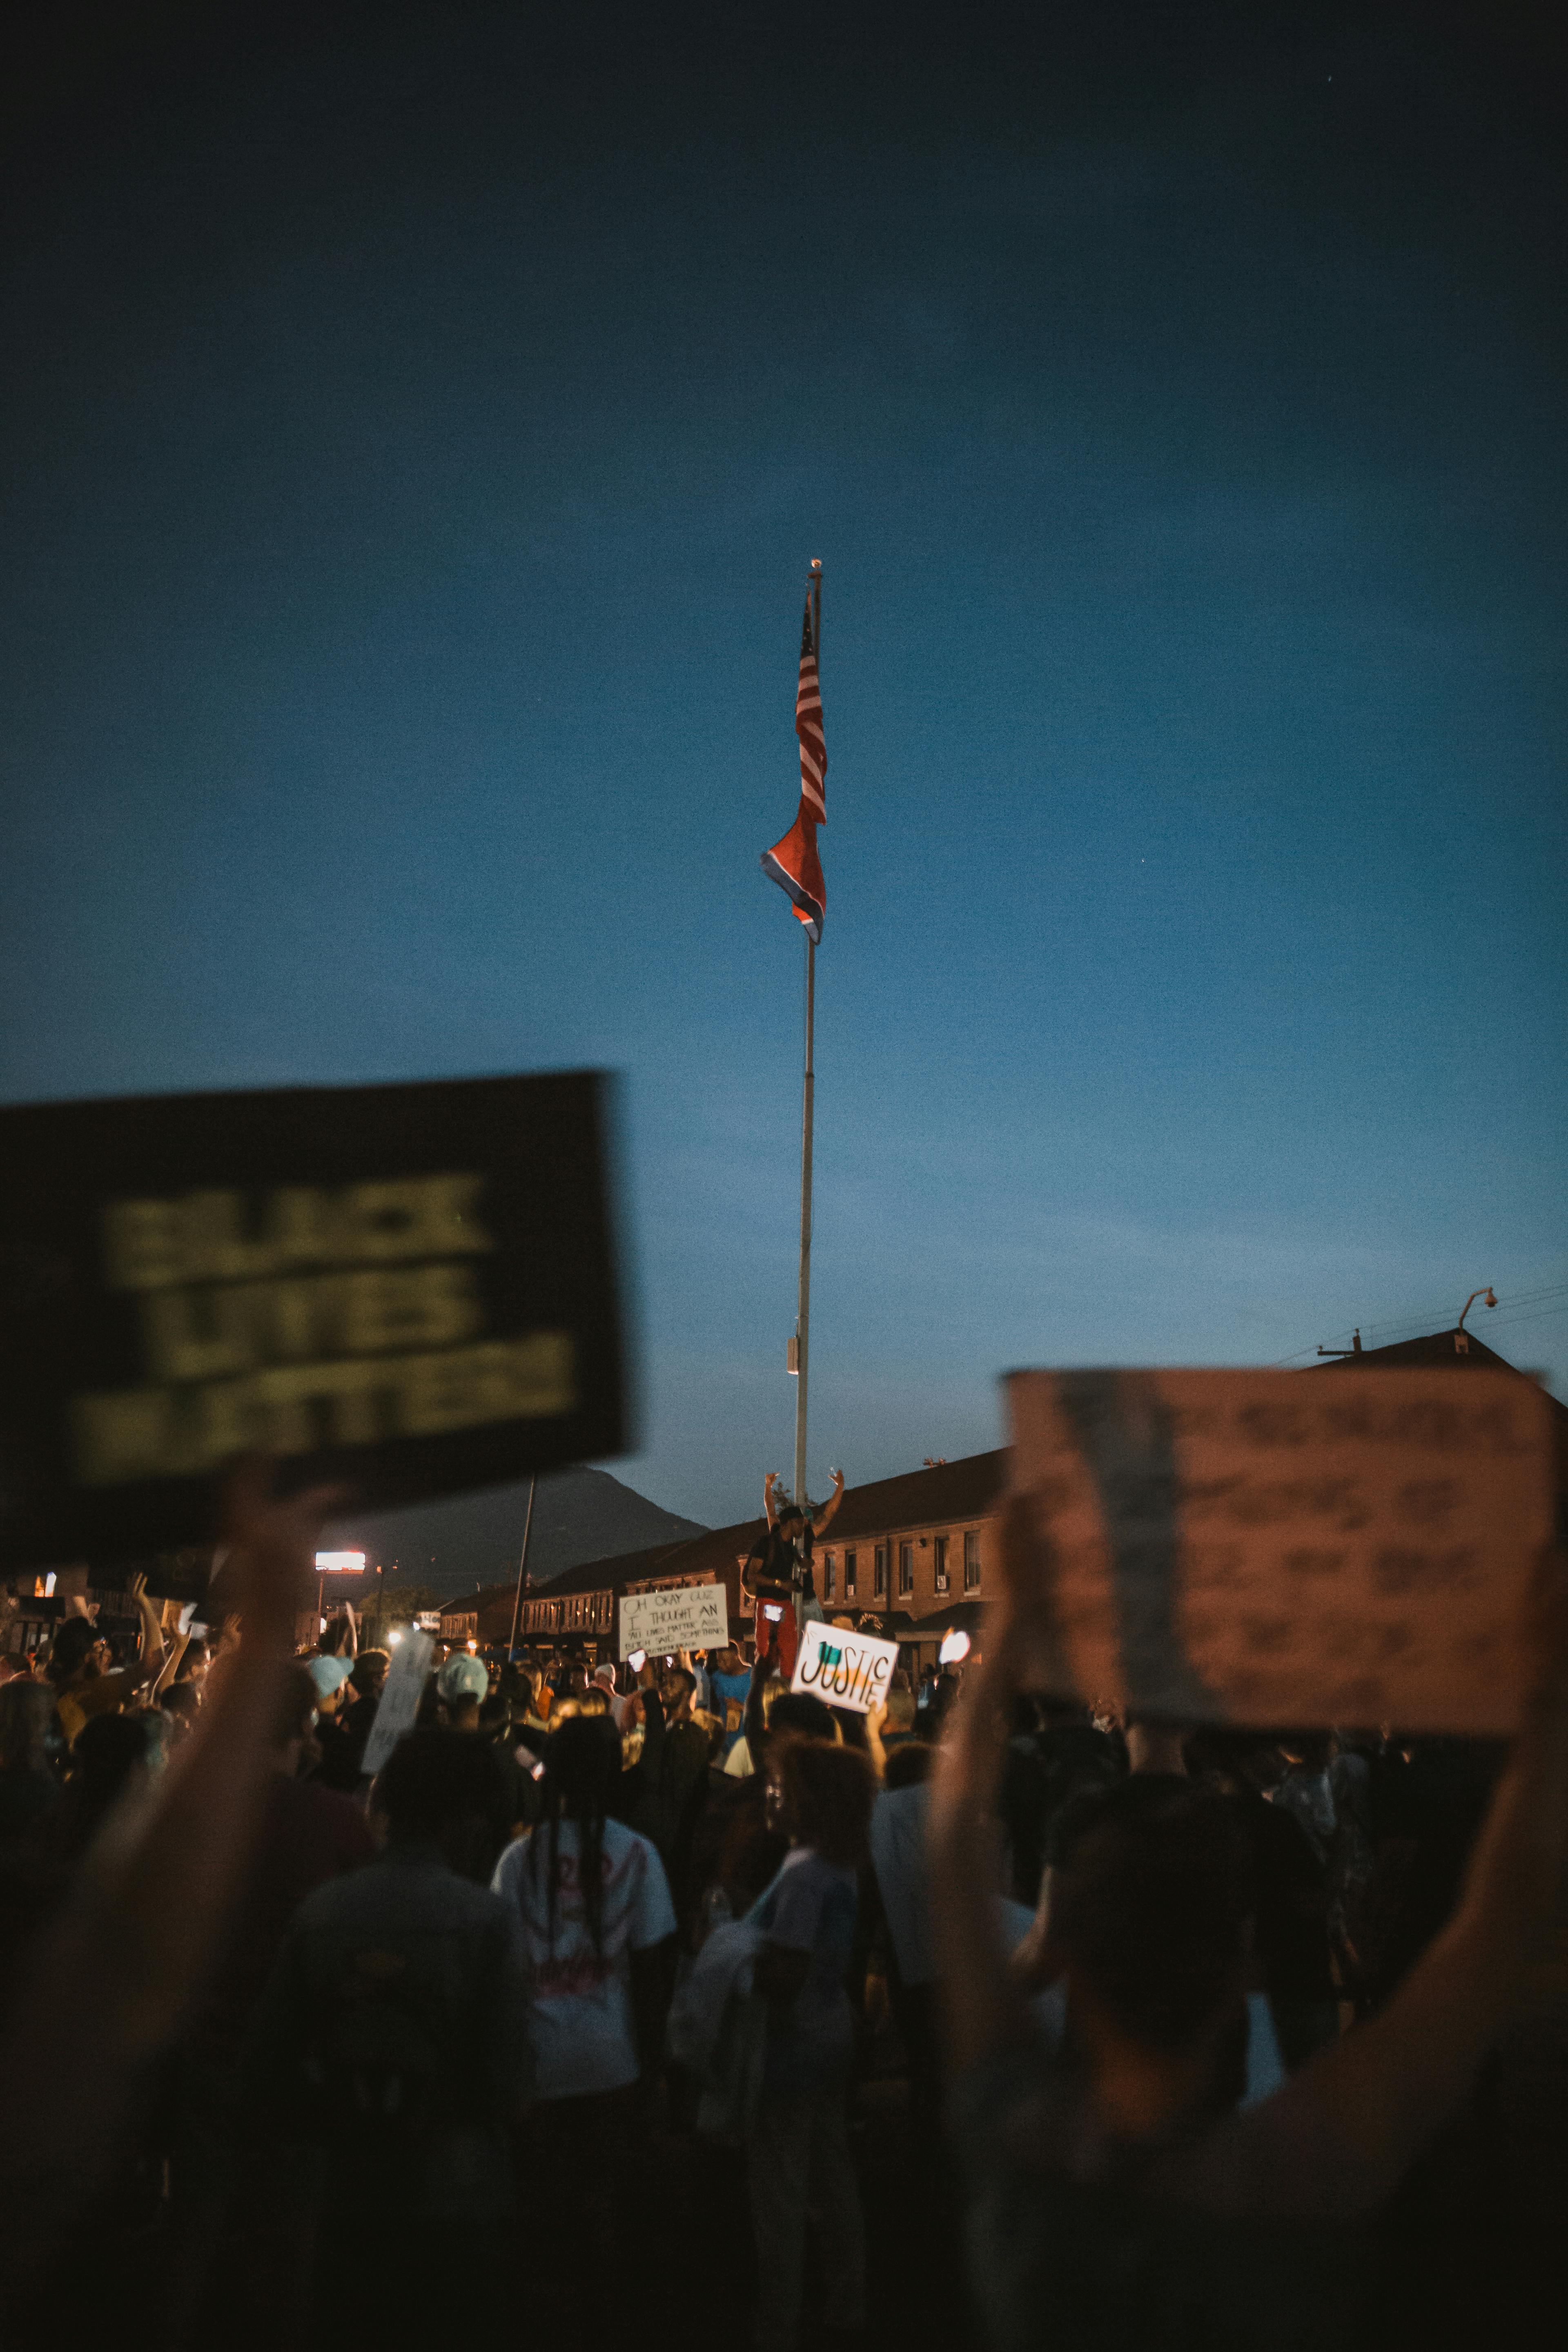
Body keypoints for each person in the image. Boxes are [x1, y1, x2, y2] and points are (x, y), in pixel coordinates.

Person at [927, 1497, 1568, 2351]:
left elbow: (948, 1844)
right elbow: (1503, 1909)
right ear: (1242, 1965)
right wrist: (1547, 1684)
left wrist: (1010, 1620)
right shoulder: (1303, 2176)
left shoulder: (1020, 2155)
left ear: (1065, 1958)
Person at [243, 1726, 529, 2339]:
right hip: (455, 2190)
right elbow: (506, 2080)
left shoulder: (323, 1913)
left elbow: (269, 2061)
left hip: (340, 2191)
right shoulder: (488, 1923)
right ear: (466, 1818)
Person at [492, 1715, 676, 2313]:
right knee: (604, 2197)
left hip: (536, 2062)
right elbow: (652, 1969)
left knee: (544, 2203)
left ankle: (550, 2314)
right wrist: (653, 2062)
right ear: (615, 1769)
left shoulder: (519, 1861)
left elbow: (503, 1970)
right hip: (612, 2055)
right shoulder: (639, 1855)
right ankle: (607, 2312)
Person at [746, 1734, 873, 2352]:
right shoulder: (839, 1862)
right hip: (832, 2032)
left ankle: (778, 2325)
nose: (770, 1794)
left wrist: (733, 1955)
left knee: (780, 2191)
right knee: (832, 2172)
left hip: (793, 2044)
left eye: (780, 1786)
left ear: (810, 1801)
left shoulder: (802, 1874)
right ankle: (849, 2300)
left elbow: (788, 1970)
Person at [743, 1468, 846, 1679]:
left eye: (806, 1520)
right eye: (801, 1520)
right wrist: (768, 1488)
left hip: (805, 1597)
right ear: (791, 1523)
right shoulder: (775, 1538)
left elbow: (829, 1513)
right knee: (777, 1643)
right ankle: (778, 1679)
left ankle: (819, 1678)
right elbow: (771, 1511)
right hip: (781, 1600)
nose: (806, 1523)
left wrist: (840, 1489)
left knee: (816, 1641)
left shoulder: (809, 1534)